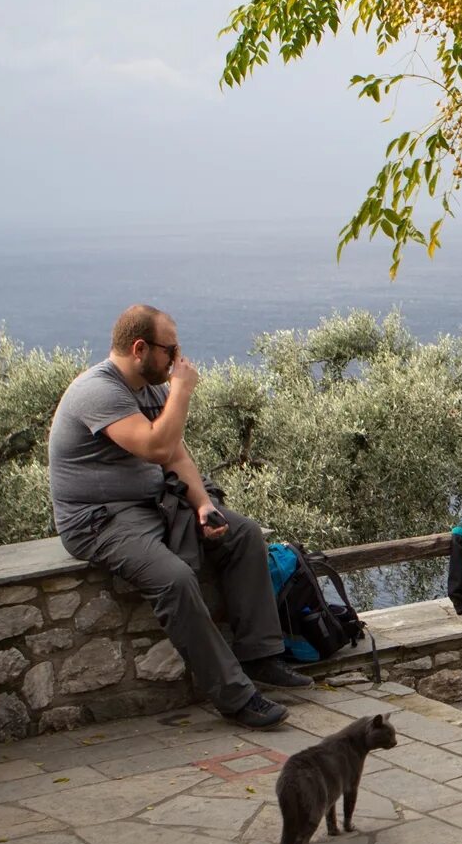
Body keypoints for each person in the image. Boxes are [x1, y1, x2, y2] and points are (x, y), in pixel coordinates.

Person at [48, 305, 309, 729]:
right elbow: (155, 446)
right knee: (174, 579)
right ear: (139, 348)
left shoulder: (145, 389)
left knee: (242, 534)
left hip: (151, 507)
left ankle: (261, 656)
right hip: (99, 522)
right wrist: (181, 390)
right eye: (171, 350)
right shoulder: (98, 391)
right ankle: (235, 696)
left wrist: (203, 503)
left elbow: (175, 453)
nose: (178, 359)